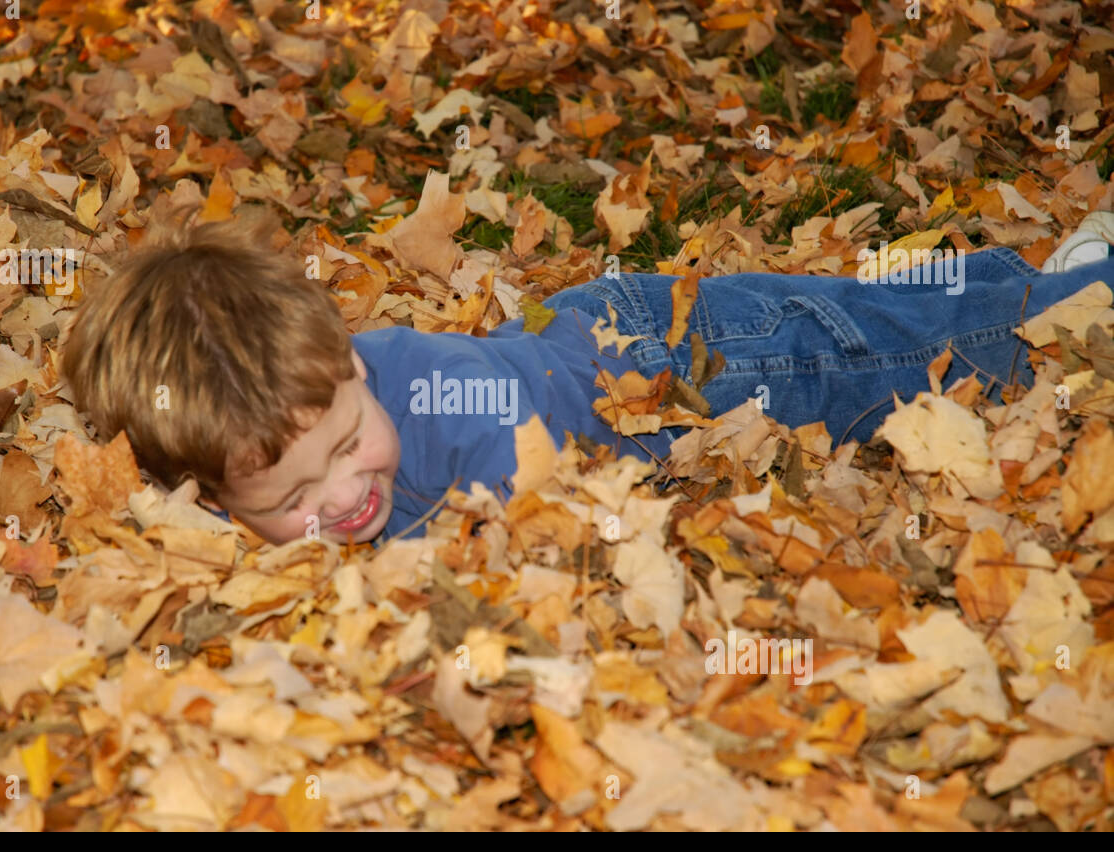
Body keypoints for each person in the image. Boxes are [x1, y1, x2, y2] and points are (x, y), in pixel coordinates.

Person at [59, 212, 1114, 546]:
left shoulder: (439, 395)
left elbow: (518, 533)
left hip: (689, 368)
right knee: (881, 313)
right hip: (589, 336)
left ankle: (1074, 289)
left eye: (345, 444)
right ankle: (1026, 281)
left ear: (347, 364)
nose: (340, 495)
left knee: (894, 355)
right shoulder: (233, 450)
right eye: (287, 500)